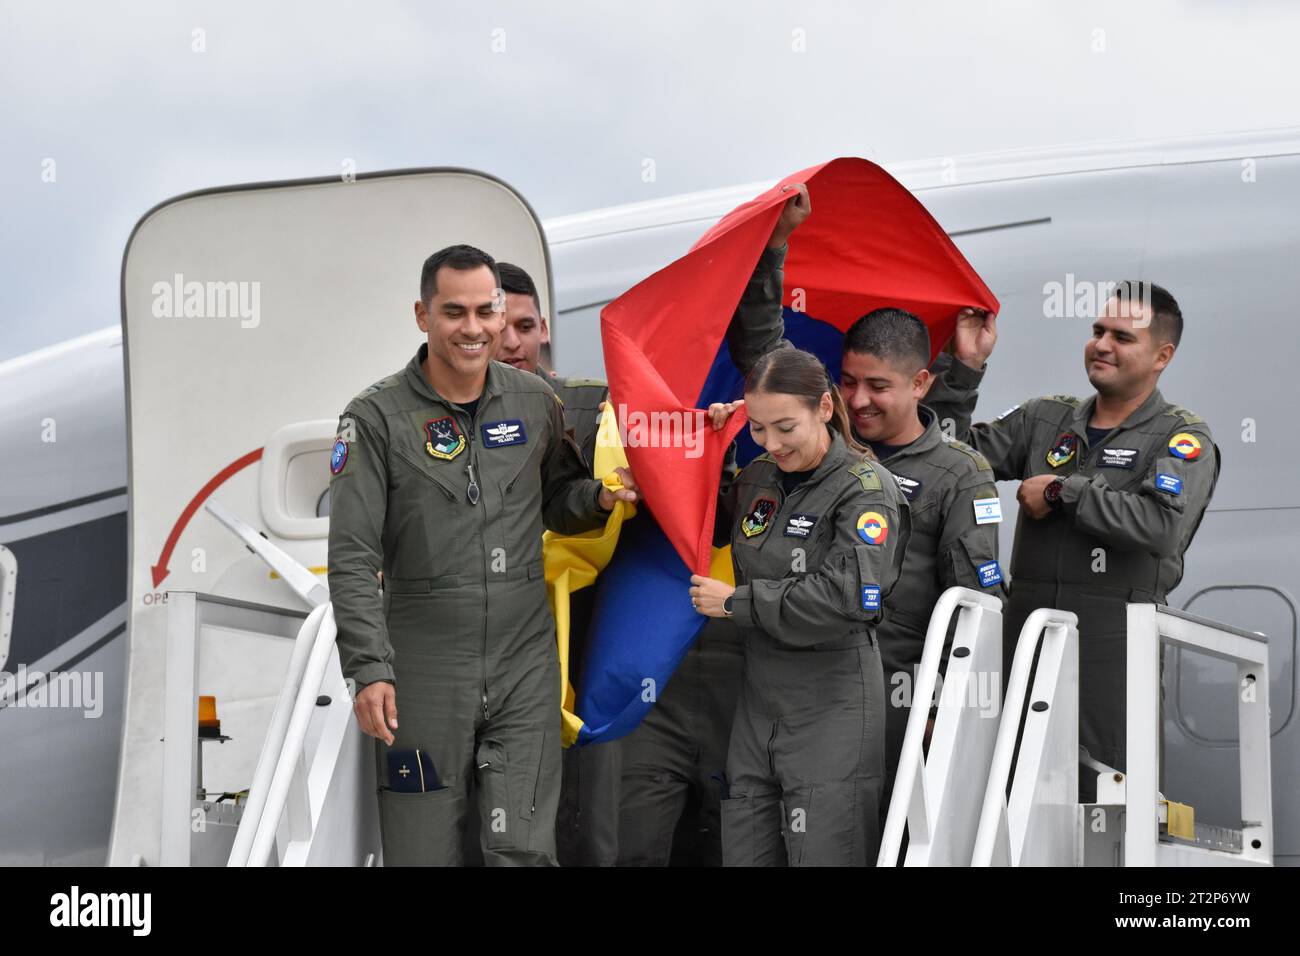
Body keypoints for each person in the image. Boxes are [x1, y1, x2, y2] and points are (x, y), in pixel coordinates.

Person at [327, 243, 637, 866]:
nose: (472, 328)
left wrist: (599, 500)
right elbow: (353, 556)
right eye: (453, 312)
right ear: (423, 315)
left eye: (484, 310)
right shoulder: (374, 417)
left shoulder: (534, 402)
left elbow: (558, 498)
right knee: (423, 851)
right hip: (422, 667)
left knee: (523, 848)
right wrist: (369, 668)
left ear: (500, 314)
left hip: (524, 660)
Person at [725, 185, 1006, 825]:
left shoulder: (958, 474)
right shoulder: (813, 456)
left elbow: (978, 608)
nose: (858, 401)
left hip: (905, 699)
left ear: (921, 384)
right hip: (807, 693)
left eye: (879, 386)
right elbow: (767, 358)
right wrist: (774, 250)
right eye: (847, 383)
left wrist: (947, 709)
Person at [925, 282, 1220, 793]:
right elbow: (944, 458)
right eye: (1098, 330)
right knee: (1007, 789)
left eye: (1122, 337)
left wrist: (1065, 492)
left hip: (1113, 646)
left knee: (1101, 796)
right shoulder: (1046, 417)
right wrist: (965, 370)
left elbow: (1161, 526)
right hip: (1027, 634)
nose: (1102, 344)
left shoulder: (1181, 436)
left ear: (1161, 356)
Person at [690, 346, 910, 866]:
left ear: (825, 409)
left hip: (831, 698)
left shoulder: (865, 490)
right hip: (759, 700)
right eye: (758, 428)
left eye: (785, 427)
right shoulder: (757, 478)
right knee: (745, 846)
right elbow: (705, 525)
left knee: (824, 850)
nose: (771, 442)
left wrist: (738, 604)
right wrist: (715, 449)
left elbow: (849, 595)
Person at [493, 260, 619, 867]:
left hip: (584, 629)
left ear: (545, 327)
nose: (512, 341)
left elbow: (576, 505)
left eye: (525, 324)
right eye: (499, 323)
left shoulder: (595, 405)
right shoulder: (430, 412)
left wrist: (602, 498)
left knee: (587, 809)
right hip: (487, 637)